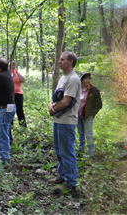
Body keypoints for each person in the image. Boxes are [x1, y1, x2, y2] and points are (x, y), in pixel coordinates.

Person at [48, 52, 80, 193]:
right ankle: (63, 176)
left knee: (67, 151)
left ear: (70, 62)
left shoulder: (73, 79)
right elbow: (56, 97)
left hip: (67, 121)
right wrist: (51, 105)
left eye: (62, 60)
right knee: (59, 150)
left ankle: (71, 182)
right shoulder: (63, 77)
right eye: (59, 59)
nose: (59, 62)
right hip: (58, 119)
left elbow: (66, 102)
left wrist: (53, 109)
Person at [77, 72, 103, 156]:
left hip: (88, 116)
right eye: (86, 78)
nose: (88, 80)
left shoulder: (94, 90)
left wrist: (91, 113)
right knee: (81, 133)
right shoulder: (77, 89)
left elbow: (99, 104)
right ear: (81, 80)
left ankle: (91, 153)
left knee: (88, 133)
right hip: (78, 115)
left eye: (89, 78)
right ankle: (81, 150)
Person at [11, 61, 27, 127]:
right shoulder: (7, 73)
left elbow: (23, 80)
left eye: (14, 64)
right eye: (12, 64)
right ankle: (10, 125)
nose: (13, 66)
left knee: (20, 110)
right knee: (10, 110)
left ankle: (23, 126)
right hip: (10, 95)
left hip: (19, 94)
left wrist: (17, 72)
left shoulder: (18, 73)